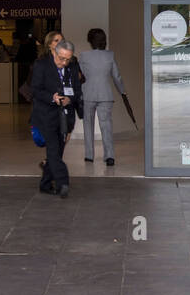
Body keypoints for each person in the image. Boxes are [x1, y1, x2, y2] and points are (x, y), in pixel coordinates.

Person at [29, 39, 80, 198]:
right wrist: (52, 97)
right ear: (54, 53)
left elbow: (77, 90)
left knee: (58, 151)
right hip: (45, 115)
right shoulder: (42, 65)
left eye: (67, 59)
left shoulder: (72, 66)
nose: (64, 62)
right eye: (61, 58)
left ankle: (45, 184)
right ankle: (63, 181)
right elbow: (35, 90)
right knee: (52, 149)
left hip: (64, 116)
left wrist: (69, 99)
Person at [79, 28, 125, 166]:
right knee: (106, 126)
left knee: (88, 125)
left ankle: (89, 155)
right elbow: (117, 77)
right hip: (105, 94)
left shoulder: (83, 56)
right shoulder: (109, 55)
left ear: (90, 41)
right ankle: (109, 156)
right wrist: (122, 91)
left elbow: (79, 77)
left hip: (87, 94)